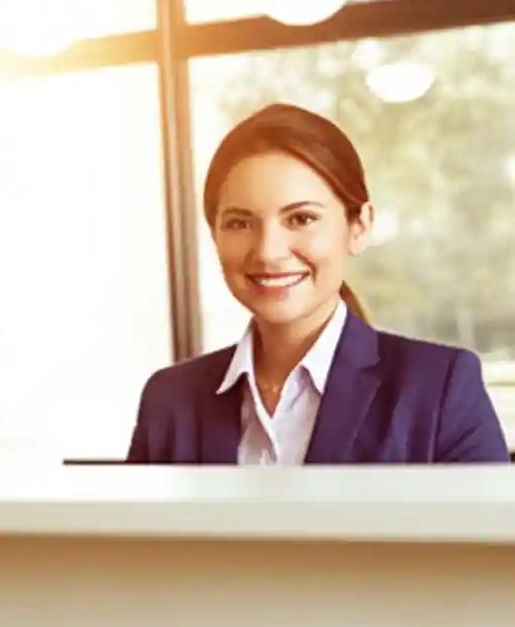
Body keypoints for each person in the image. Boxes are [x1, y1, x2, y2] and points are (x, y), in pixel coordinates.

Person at [129, 103, 509, 464]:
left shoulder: (438, 389)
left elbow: (494, 533)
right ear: (214, 235)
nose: (268, 252)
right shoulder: (169, 401)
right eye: (240, 223)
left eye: (301, 219)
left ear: (358, 226)